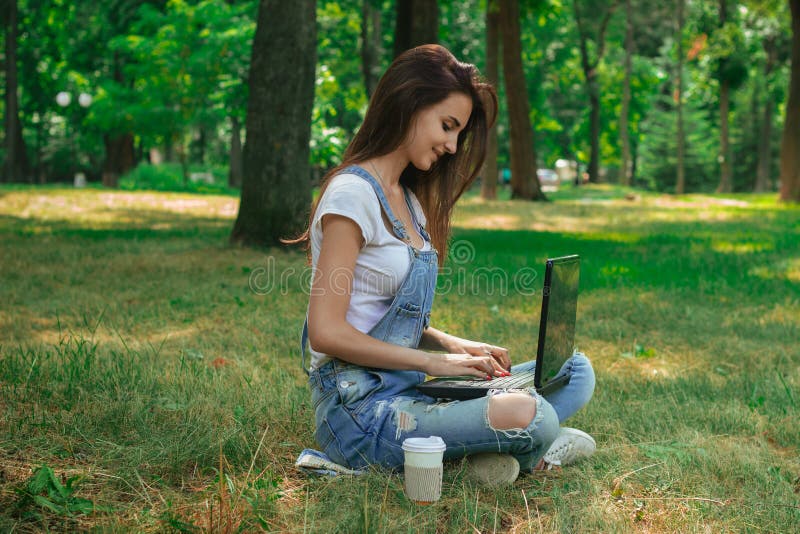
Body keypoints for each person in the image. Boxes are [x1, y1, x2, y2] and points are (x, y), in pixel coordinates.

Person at [289, 45, 595, 485]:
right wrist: (440, 365)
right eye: (447, 126)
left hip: (411, 390)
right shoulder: (351, 196)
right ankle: (527, 447)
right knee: (534, 414)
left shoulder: (409, 201)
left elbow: (385, 320)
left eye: (458, 133)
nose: (452, 146)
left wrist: (460, 347)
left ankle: (481, 454)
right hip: (362, 411)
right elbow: (327, 332)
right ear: (409, 103)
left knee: (575, 371)